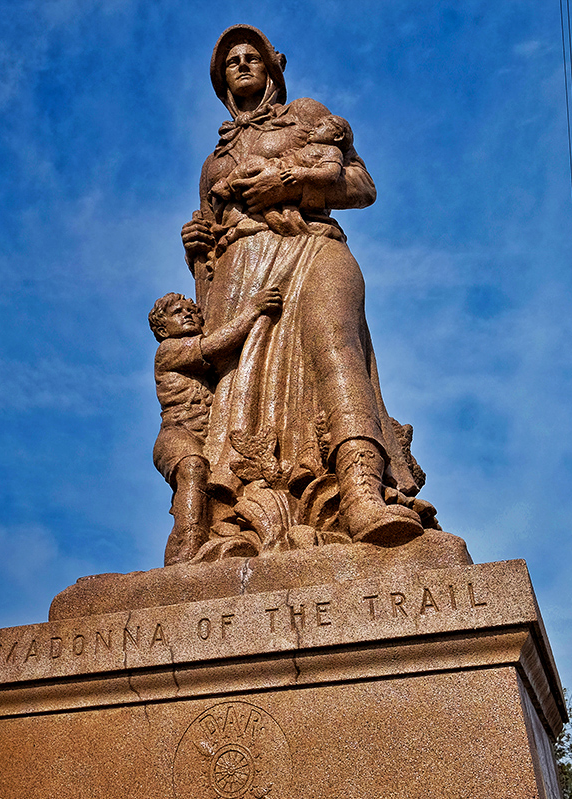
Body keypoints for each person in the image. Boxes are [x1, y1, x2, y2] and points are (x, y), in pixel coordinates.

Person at [181, 24, 426, 547]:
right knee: (241, 388)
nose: (243, 64)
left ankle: (360, 493)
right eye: (232, 61)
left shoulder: (309, 117)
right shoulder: (215, 163)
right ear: (221, 79)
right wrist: (197, 248)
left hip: (313, 243)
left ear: (271, 66)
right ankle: (239, 515)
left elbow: (362, 187)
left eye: (253, 56)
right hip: (243, 274)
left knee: (336, 340)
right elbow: (206, 278)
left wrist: (289, 184)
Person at [149, 287, 282, 563]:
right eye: (177, 313)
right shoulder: (169, 350)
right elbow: (213, 345)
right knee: (192, 468)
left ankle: (200, 538)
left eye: (191, 312)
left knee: (205, 484)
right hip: (177, 435)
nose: (187, 314)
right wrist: (252, 310)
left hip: (206, 438)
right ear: (163, 330)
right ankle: (185, 552)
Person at [210, 114, 353, 237]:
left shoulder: (332, 151)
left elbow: (332, 174)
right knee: (250, 162)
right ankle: (228, 188)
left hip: (284, 174)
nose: (313, 129)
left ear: (338, 136)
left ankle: (233, 196)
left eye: (319, 126)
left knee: (254, 172)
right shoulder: (310, 146)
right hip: (276, 166)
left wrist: (302, 175)